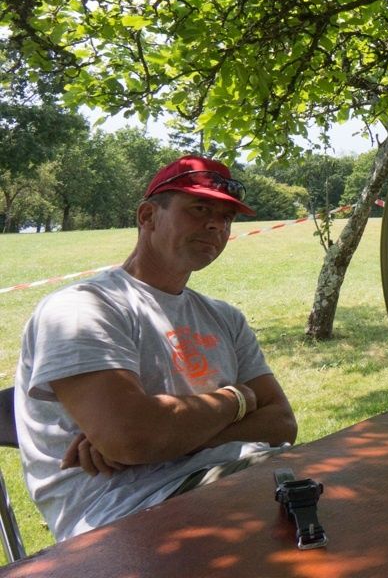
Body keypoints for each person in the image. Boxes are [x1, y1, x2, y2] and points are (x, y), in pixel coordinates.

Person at [14, 155, 298, 541]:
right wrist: (239, 398)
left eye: (227, 218)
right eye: (199, 209)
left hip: (236, 482)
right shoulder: (82, 309)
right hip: (129, 516)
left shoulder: (224, 317)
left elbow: (282, 422)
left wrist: (165, 439)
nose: (216, 224)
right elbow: (133, 437)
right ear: (148, 216)